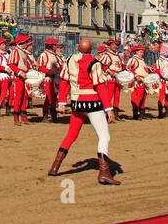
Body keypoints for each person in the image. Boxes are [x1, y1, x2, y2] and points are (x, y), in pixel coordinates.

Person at [47, 38, 121, 186]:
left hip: (76, 102)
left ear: (79, 48)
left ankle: (55, 166)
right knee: (104, 136)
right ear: (91, 49)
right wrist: (109, 109)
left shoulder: (70, 60)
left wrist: (61, 102)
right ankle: (104, 172)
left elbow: (65, 82)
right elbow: (100, 86)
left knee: (71, 135)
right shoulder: (94, 63)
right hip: (92, 102)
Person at [37, 37, 65, 123]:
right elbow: (39, 66)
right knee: (48, 97)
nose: (56, 46)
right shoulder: (44, 55)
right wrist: (48, 71)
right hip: (48, 78)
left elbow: (59, 66)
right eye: (54, 45)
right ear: (50, 46)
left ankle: (53, 115)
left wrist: (61, 68)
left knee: (54, 97)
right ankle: (45, 115)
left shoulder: (56, 55)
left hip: (56, 78)